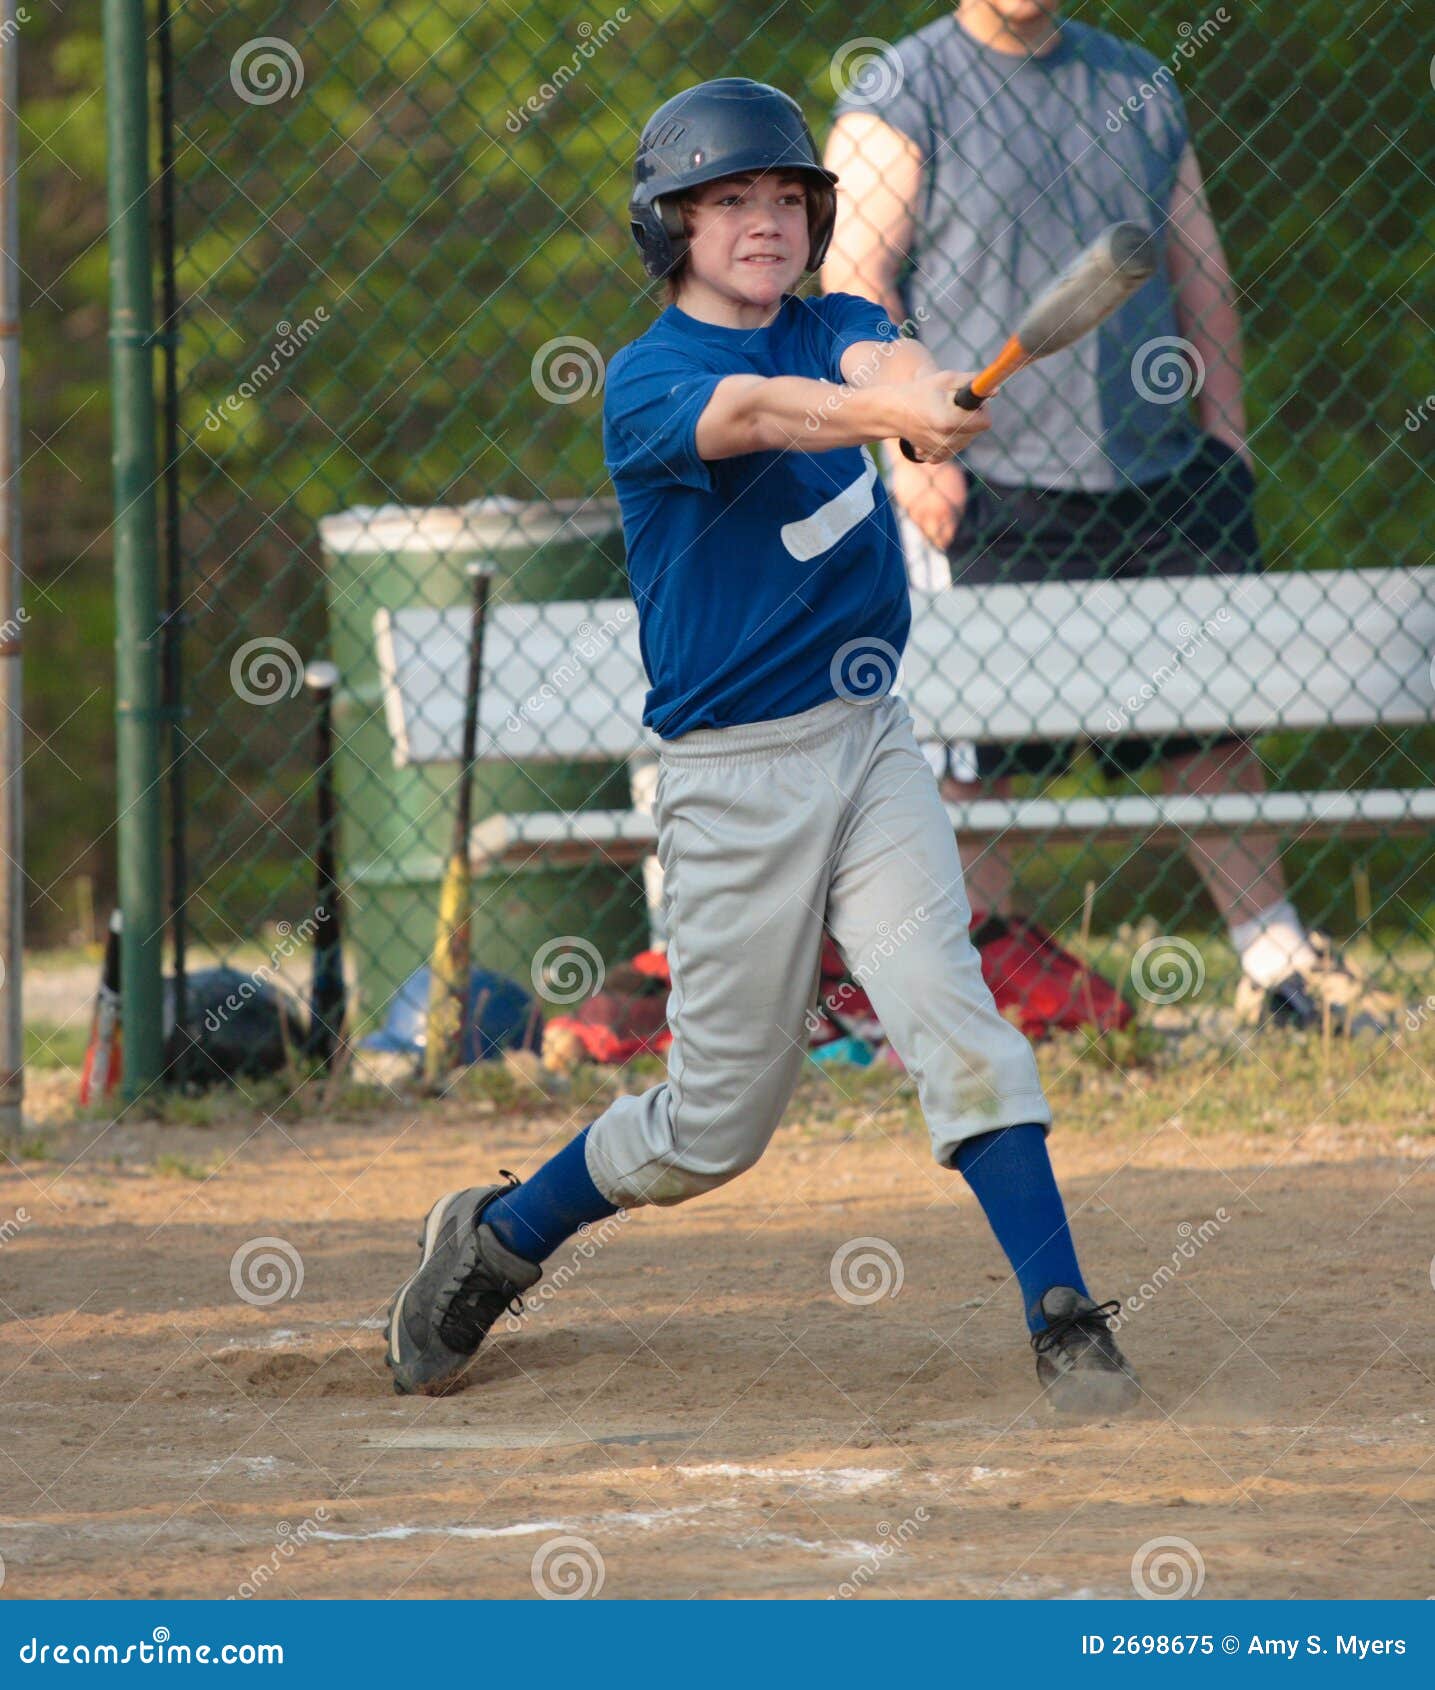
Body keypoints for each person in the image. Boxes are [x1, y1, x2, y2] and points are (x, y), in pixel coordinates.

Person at [385, 78, 1140, 1415]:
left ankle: (1062, 1312)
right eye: (727, 198)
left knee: (951, 1023)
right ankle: (501, 1235)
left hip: (866, 744)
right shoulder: (648, 380)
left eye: (785, 197)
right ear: (667, 226)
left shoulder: (843, 321)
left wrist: (923, 398)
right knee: (707, 1129)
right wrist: (885, 418)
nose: (763, 219)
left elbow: (882, 364)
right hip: (733, 784)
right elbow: (756, 417)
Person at [822, 0, 1348, 1030]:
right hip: (979, 479)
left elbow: (1199, 273)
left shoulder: (1138, 84)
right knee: (977, 761)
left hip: (1157, 475)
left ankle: (1282, 971)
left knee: (1211, 733)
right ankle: (981, 983)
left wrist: (1226, 440)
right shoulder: (904, 90)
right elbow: (855, 281)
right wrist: (907, 446)